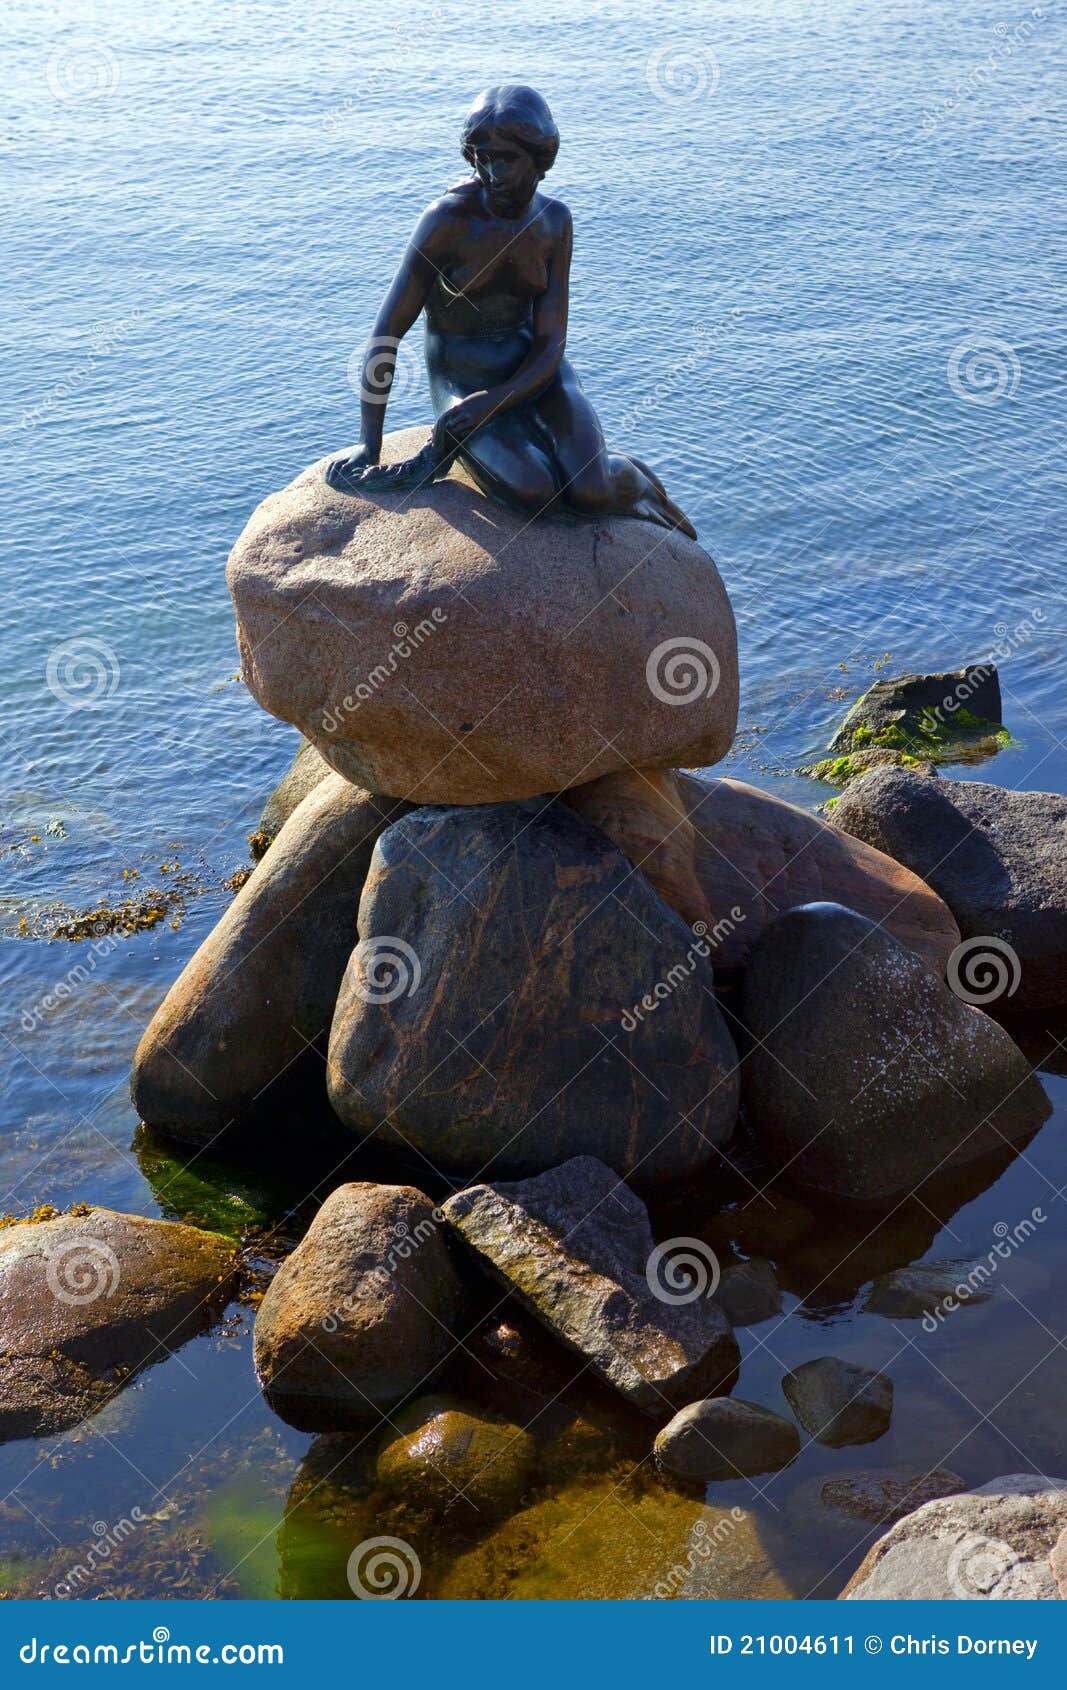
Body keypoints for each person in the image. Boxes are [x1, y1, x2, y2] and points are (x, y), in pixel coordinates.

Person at [325, 84, 696, 537]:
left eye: (505, 158)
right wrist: (370, 444)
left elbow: (550, 343)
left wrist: (496, 403)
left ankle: (630, 478)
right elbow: (386, 336)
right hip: (463, 374)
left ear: (540, 158)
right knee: (534, 492)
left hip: (536, 370)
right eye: (480, 156)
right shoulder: (447, 221)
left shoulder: (554, 222)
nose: (490, 172)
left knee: (590, 491)